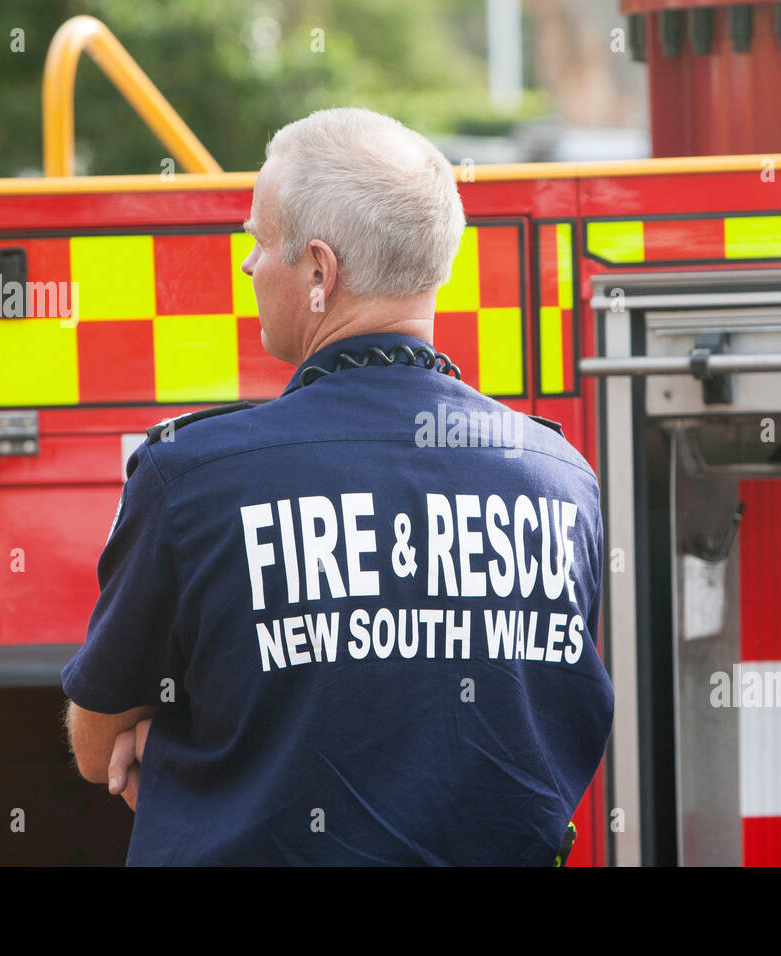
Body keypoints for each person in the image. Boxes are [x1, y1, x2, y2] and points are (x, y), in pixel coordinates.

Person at [62, 107, 614, 865]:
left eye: (260, 240)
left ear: (320, 271)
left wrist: (189, 762)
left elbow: (98, 745)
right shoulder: (562, 479)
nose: (249, 265)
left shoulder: (191, 475)